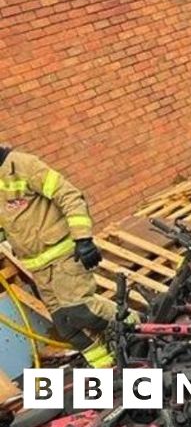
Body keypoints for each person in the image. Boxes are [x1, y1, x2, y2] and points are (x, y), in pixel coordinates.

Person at [0, 146, 119, 367]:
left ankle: (138, 323)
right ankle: (107, 366)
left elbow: (69, 195)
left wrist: (83, 239)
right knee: (67, 326)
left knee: (82, 311)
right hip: (38, 267)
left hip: (63, 256)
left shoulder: (23, 165)